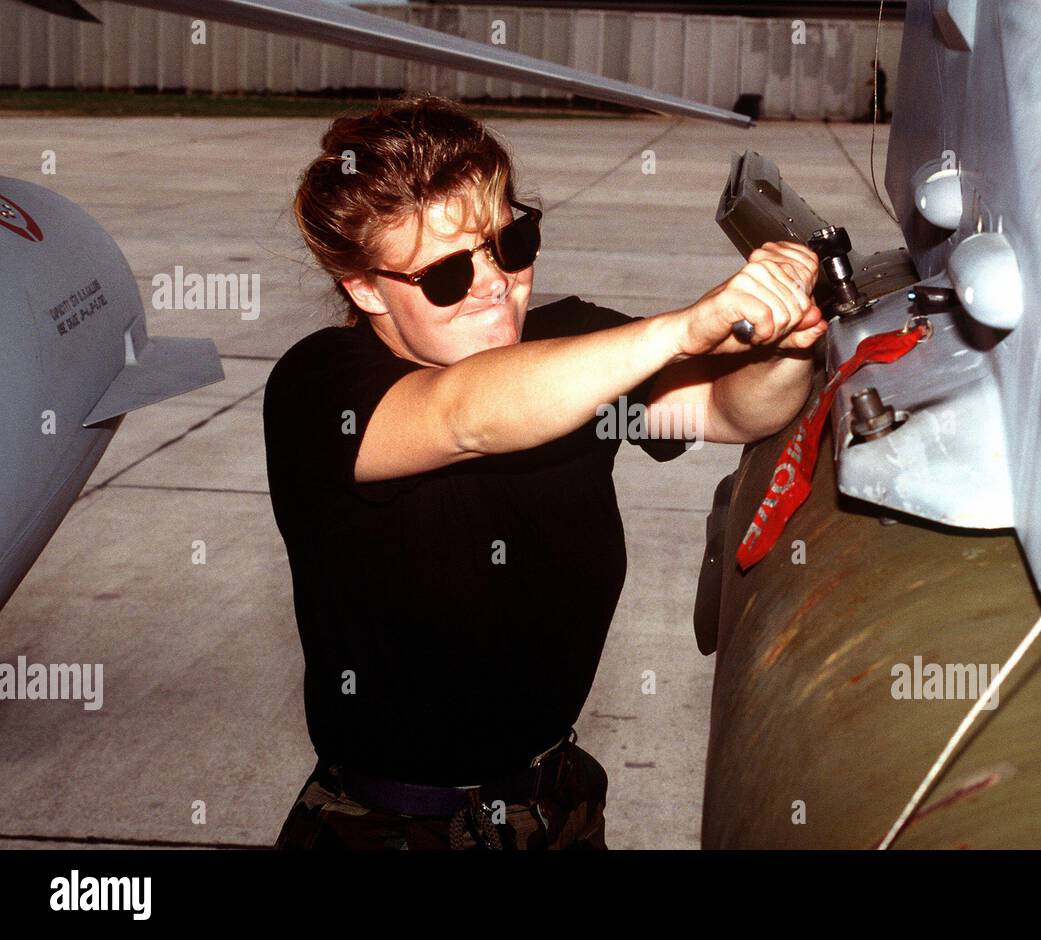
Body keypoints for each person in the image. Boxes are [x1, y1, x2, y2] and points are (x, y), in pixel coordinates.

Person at [263, 95, 825, 849]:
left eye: (510, 241)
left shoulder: (576, 344)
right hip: (392, 829)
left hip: (552, 809)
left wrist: (788, 339)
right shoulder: (321, 389)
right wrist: (683, 328)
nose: (496, 281)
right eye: (447, 276)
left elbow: (731, 410)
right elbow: (466, 415)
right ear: (366, 289)